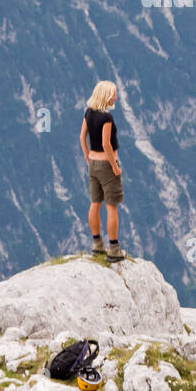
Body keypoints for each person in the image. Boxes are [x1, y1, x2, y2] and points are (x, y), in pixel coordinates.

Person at [79, 80, 125, 261]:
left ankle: (97, 245)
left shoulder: (88, 112)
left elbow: (82, 136)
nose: (116, 97)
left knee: (95, 203)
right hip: (107, 165)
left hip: (93, 163)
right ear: (106, 96)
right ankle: (114, 249)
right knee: (112, 206)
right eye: (114, 94)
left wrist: (86, 156)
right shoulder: (107, 118)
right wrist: (115, 166)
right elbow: (106, 144)